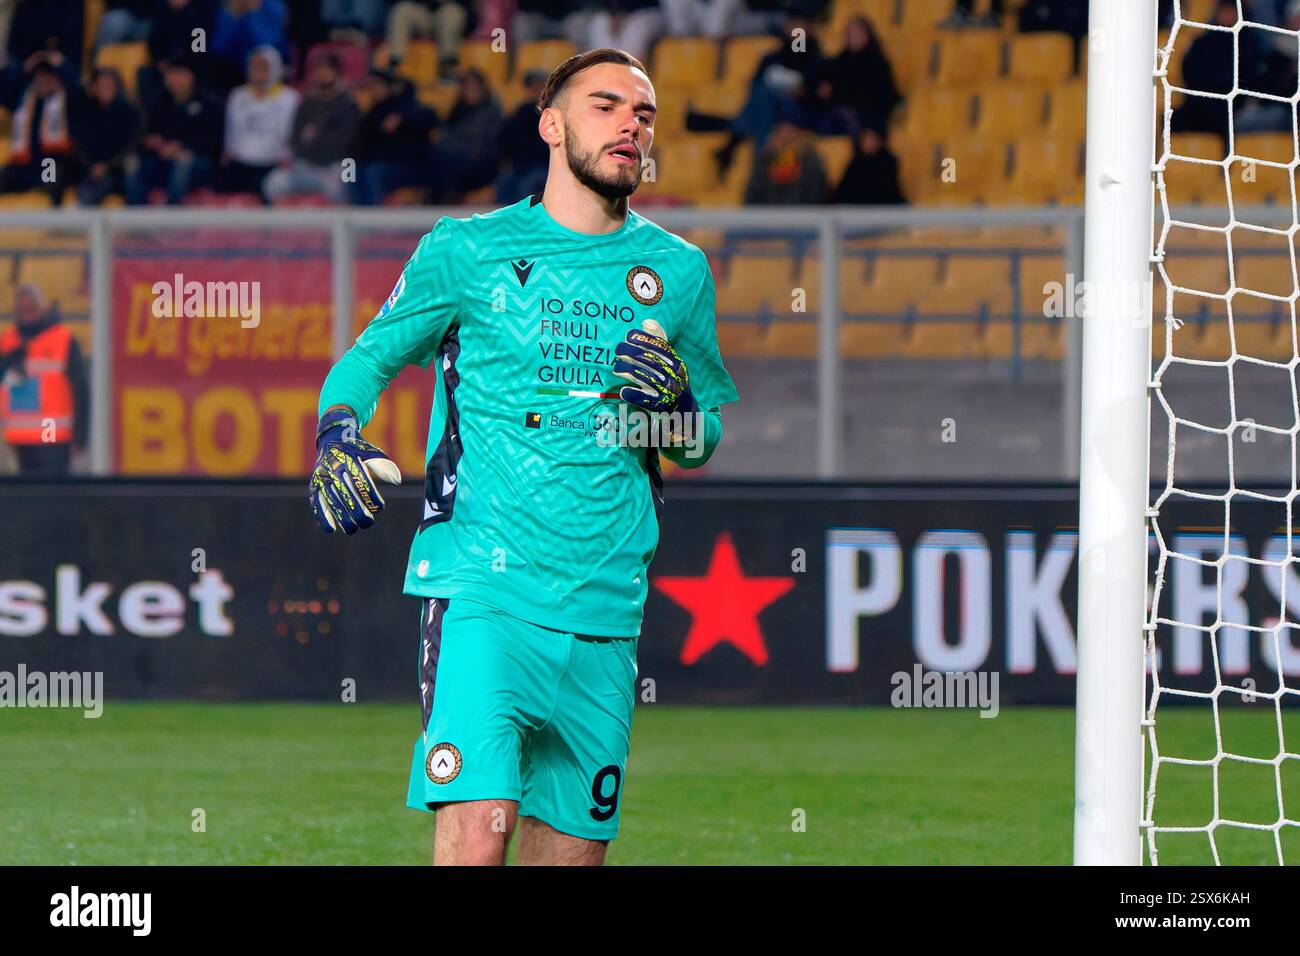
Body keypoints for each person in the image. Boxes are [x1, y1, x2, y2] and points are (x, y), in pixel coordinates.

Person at [309, 48, 737, 865]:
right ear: (551, 124)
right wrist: (338, 432)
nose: (628, 125)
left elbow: (701, 436)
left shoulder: (679, 272)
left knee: (570, 855)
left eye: (642, 115)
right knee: (478, 827)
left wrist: (674, 413)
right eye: (605, 105)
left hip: (607, 606)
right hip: (483, 590)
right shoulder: (466, 251)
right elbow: (364, 364)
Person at [0, 283, 89, 477]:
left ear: (43, 307)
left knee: (52, 494)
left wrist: (81, 435)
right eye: (22, 309)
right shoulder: (8, 341)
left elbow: (80, 388)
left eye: (31, 308)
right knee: (24, 501)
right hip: (18, 438)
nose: (27, 314)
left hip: (50, 433)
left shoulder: (62, 339)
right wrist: (8, 360)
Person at [126, 54, 223, 204]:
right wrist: (155, 143)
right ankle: (135, 215)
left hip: (197, 163)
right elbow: (143, 137)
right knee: (133, 162)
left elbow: (214, 142)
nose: (175, 78)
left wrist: (184, 147)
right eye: (171, 73)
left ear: (191, 76)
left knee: (183, 161)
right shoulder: (157, 103)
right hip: (163, 160)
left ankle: (171, 214)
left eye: (180, 73)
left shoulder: (209, 103)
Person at [264, 53, 359, 204]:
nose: (322, 73)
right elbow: (295, 138)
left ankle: (344, 226)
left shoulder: (348, 104)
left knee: (346, 181)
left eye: (327, 69)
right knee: (273, 182)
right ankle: (274, 226)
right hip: (306, 164)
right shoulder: (307, 103)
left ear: (337, 73)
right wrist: (310, 146)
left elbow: (345, 141)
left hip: (337, 164)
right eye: (319, 69)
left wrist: (314, 140)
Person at [216, 45, 299, 199]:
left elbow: (291, 131)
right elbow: (231, 129)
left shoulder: (290, 98)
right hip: (240, 160)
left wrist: (286, 157)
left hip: (273, 162)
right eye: (254, 66)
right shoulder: (238, 95)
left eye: (263, 67)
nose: (258, 71)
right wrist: (228, 152)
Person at [0, 51, 80, 204]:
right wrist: (24, 67)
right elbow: (4, 89)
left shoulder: (67, 100)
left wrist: (60, 63)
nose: (42, 80)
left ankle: (53, 223)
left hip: (52, 160)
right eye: (39, 75)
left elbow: (77, 87)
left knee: (51, 180)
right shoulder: (23, 98)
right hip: (25, 162)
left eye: (48, 75)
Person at [352, 69, 438, 204]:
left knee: (375, 173)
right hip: (381, 163)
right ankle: (356, 217)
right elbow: (362, 143)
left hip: (410, 166)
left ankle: (373, 218)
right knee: (350, 172)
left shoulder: (406, 105)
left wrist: (402, 118)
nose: (374, 90)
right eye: (371, 87)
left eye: (377, 85)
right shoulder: (374, 113)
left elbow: (431, 118)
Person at [813, 15, 900, 136]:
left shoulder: (876, 62)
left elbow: (870, 94)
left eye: (858, 34)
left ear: (868, 35)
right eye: (850, 34)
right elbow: (828, 74)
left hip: (866, 116)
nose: (853, 38)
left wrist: (834, 91)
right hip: (840, 110)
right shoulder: (844, 57)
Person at [72, 67, 142, 205]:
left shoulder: (129, 111)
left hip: (120, 170)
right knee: (88, 185)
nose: (106, 88)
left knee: (133, 168)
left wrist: (108, 165)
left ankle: (136, 221)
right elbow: (81, 145)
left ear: (117, 86)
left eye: (109, 85)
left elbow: (133, 145)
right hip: (95, 171)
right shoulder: (86, 113)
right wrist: (92, 166)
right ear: (94, 87)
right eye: (101, 85)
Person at [431, 67, 502, 201]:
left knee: (448, 165)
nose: (470, 92)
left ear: (483, 88)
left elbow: (486, 142)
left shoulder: (491, 111)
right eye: (467, 88)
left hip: (481, 161)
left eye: (474, 87)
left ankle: (446, 201)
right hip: (456, 157)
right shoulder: (458, 111)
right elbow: (446, 135)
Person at [494, 67, 549, 203]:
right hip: (520, 165)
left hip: (544, 165)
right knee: (504, 180)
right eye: (533, 86)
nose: (536, 90)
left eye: (540, 86)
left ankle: (523, 221)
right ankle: (504, 220)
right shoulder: (521, 112)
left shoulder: (553, 112)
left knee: (528, 183)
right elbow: (505, 138)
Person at [743, 119, 825, 204]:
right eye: (781, 130)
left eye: (792, 130)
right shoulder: (765, 159)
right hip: (768, 213)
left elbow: (815, 194)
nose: (786, 134)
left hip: (802, 213)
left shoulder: (810, 160)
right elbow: (753, 195)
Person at [385, 0, 471, 81]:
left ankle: (448, 66)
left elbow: (467, 7)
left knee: (452, 13)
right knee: (402, 9)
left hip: (446, 11)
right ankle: (395, 64)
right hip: (421, 11)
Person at [829, 126, 904, 204]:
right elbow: (844, 193)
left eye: (873, 139)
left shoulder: (888, 163)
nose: (869, 142)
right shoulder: (856, 163)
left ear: (881, 141)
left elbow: (890, 193)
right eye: (866, 138)